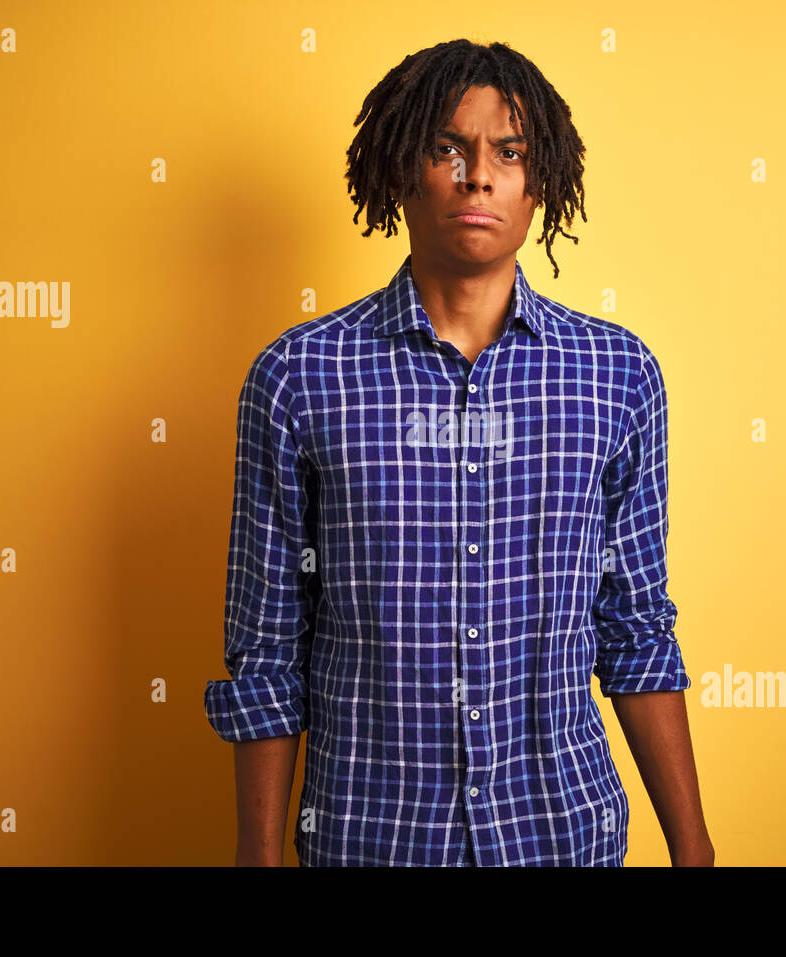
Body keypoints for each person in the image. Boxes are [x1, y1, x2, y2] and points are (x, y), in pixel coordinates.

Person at [204, 38, 713, 867]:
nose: (478, 175)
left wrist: (693, 847)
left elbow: (637, 629)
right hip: (370, 843)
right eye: (448, 148)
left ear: (537, 182)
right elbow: (267, 650)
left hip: (564, 838)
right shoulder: (298, 377)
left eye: (508, 153)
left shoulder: (620, 376)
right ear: (403, 169)